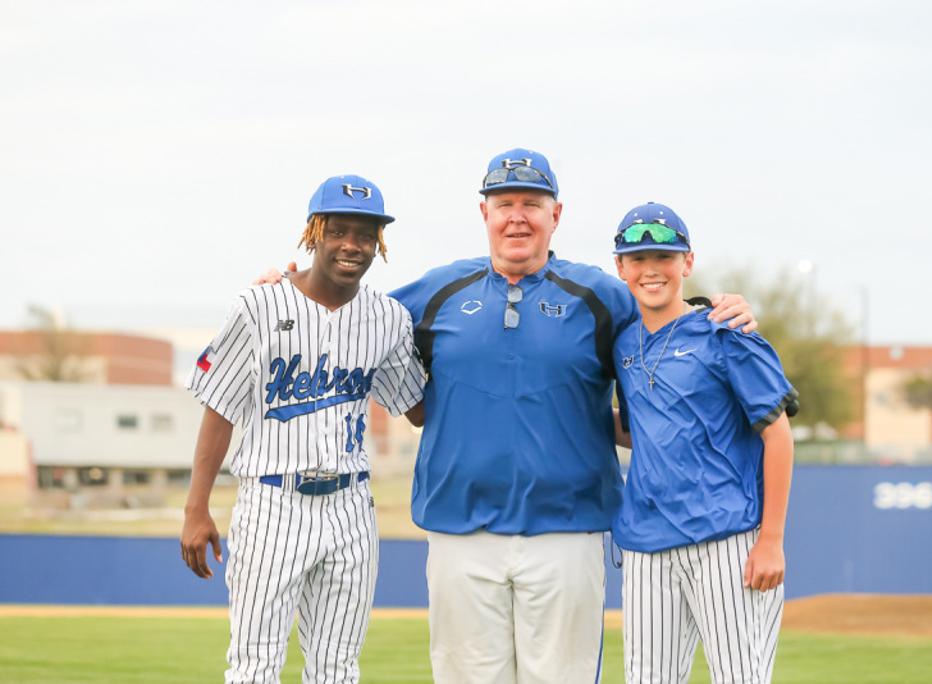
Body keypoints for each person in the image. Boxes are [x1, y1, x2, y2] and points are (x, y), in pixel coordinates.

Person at [258, 149, 758, 683]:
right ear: (485, 214)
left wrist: (718, 308)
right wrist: (289, 287)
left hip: (569, 532)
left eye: (531, 203)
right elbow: (347, 317)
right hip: (459, 532)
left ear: (555, 215)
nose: (517, 215)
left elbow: (670, 316)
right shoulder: (438, 292)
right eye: (504, 203)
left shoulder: (601, 296)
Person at [180, 175, 426, 684]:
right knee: (254, 666)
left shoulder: (388, 319)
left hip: (351, 505)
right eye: (338, 230)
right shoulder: (259, 305)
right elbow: (219, 406)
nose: (351, 245)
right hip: (273, 502)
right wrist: (196, 507)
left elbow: (418, 409)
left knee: (337, 668)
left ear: (379, 242)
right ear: (313, 232)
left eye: (364, 234)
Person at [610, 202, 797, 684]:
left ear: (687, 262)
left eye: (664, 257)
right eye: (638, 259)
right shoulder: (623, 344)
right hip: (647, 545)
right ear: (620, 267)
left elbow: (777, 433)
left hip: (727, 537)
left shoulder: (726, 331)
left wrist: (771, 540)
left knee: (740, 677)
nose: (651, 270)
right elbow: (639, 432)